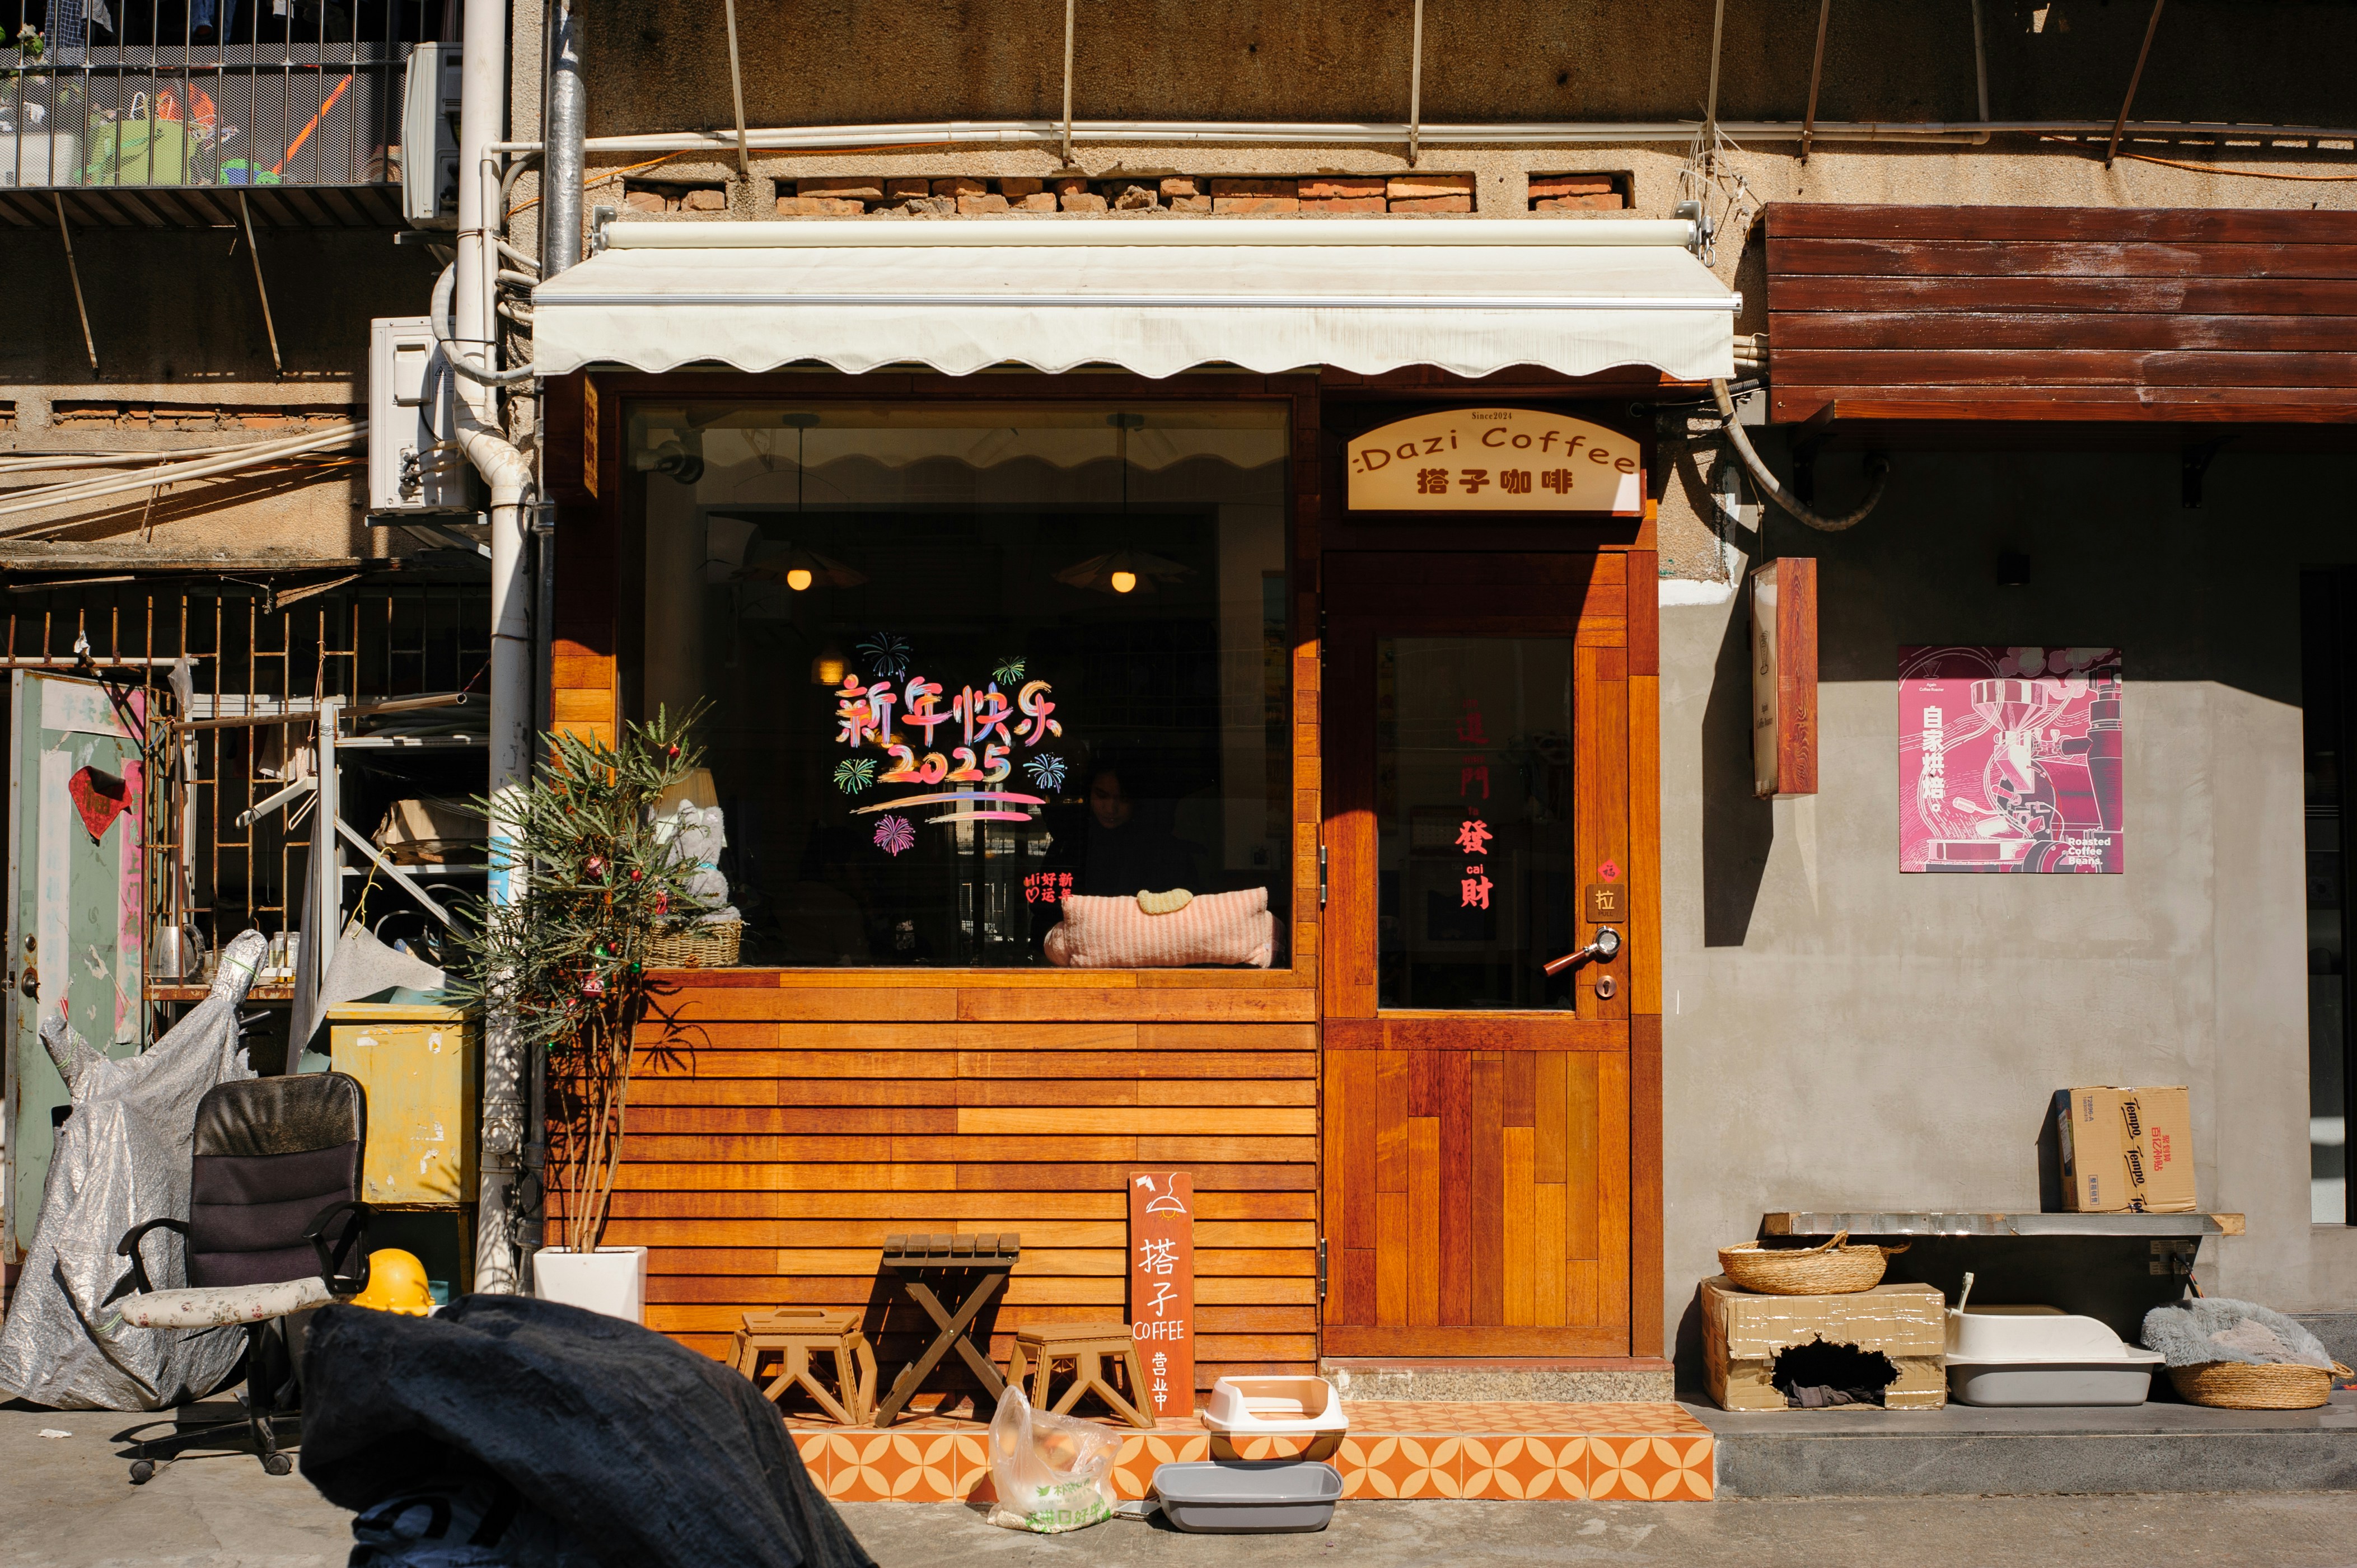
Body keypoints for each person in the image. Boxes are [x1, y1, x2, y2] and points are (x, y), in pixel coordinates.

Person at [1075, 765, 1190, 897]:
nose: (1111, 809)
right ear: (1088, 792)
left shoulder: (1163, 850)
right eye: (1102, 796)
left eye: (1124, 799)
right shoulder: (1076, 840)